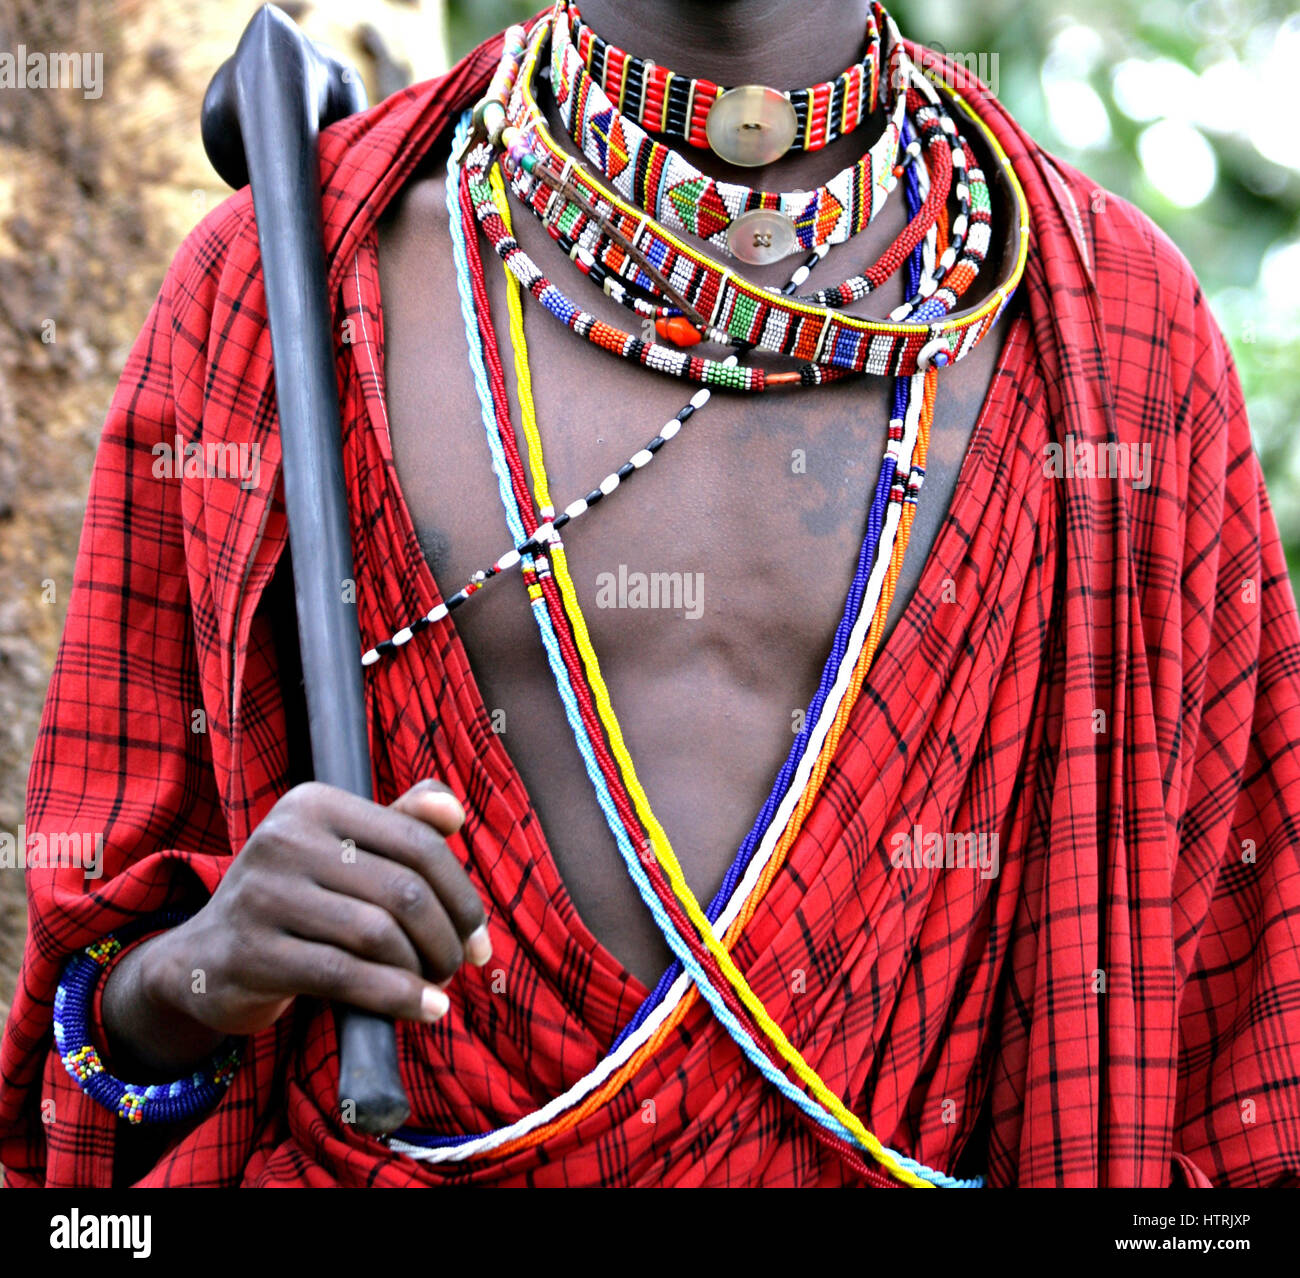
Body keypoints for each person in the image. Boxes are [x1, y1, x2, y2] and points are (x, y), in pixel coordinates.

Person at [2, 0, 1299, 1187]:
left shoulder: (1119, 339)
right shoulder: (273, 288)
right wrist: (200, 972)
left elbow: (1249, 1073)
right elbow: (92, 1042)